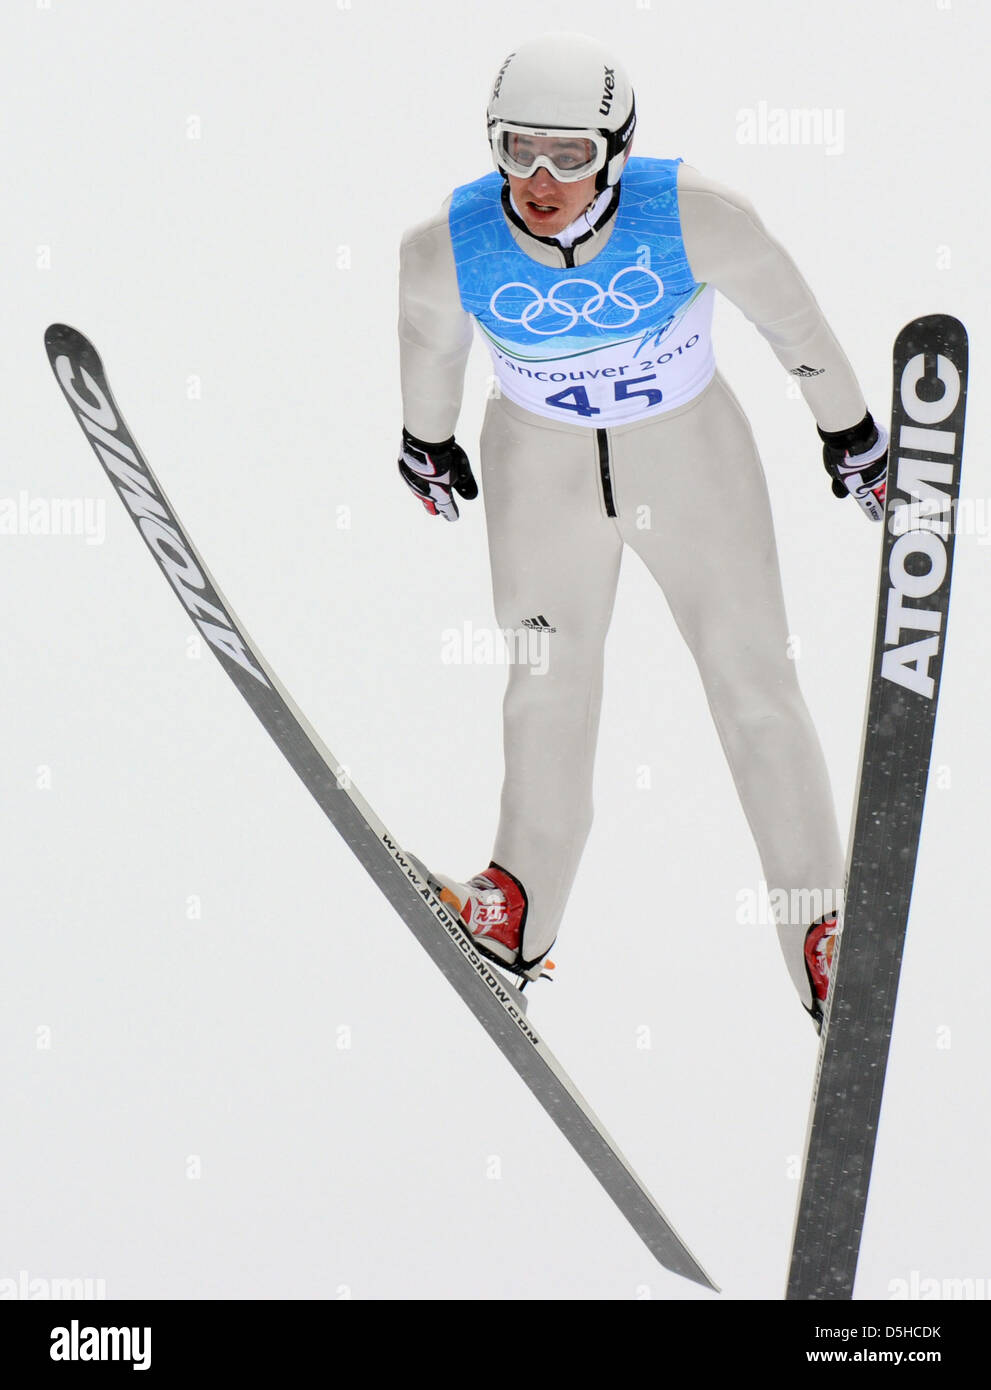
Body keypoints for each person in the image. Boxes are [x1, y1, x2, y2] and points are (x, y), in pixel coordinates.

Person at [396, 32, 887, 1031]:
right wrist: (426, 437)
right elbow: (429, 339)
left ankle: (819, 929)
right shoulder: (446, 244)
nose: (540, 180)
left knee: (751, 680)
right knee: (545, 679)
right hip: (538, 462)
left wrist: (849, 428)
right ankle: (516, 908)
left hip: (687, 451)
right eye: (516, 149)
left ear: (615, 150)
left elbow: (791, 322)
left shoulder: (698, 215)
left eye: (568, 155)